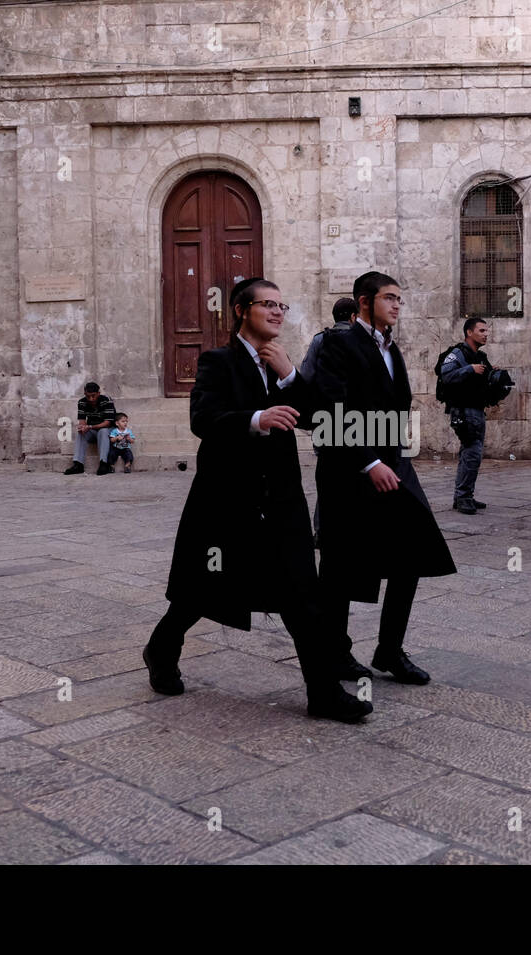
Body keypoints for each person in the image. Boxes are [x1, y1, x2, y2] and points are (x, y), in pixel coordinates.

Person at [144, 277, 370, 723]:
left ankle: (322, 693)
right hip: (229, 500)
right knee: (199, 591)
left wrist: (289, 374)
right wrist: (256, 419)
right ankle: (161, 649)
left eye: (282, 306)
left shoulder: (283, 366)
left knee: (304, 596)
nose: (277, 312)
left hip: (282, 501)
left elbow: (320, 419)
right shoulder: (217, 361)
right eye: (267, 304)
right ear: (241, 311)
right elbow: (203, 419)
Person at [313, 270, 457, 685]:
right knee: (340, 565)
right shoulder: (338, 343)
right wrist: (368, 463)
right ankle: (335, 652)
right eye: (389, 298)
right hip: (349, 472)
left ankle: (389, 649)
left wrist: (395, 459)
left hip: (393, 465)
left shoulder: (390, 348)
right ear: (363, 302)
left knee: (411, 552)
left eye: (399, 299)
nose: (397, 305)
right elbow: (329, 410)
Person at [301, 296, 357, 541]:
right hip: (358, 419)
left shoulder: (319, 340)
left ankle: (321, 531)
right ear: (354, 317)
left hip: (326, 419)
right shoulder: (363, 341)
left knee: (327, 476)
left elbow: (305, 376)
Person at [439, 318, 494, 514]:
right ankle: (463, 497)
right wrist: (469, 369)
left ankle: (463, 495)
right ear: (469, 333)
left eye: (486, 330)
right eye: (481, 330)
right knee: (472, 453)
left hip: (476, 409)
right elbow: (446, 376)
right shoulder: (457, 354)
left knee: (469, 453)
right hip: (463, 410)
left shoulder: (478, 355)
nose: (486, 334)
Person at [64, 382, 116, 475]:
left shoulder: (107, 400)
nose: (91, 399)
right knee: (81, 432)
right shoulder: (82, 402)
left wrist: (90, 426)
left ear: (98, 393)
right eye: (88, 396)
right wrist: (83, 427)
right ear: (85, 394)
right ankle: (78, 464)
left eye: (93, 396)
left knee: (103, 431)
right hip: (92, 429)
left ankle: (104, 463)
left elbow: (107, 423)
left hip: (107, 430)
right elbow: (82, 421)